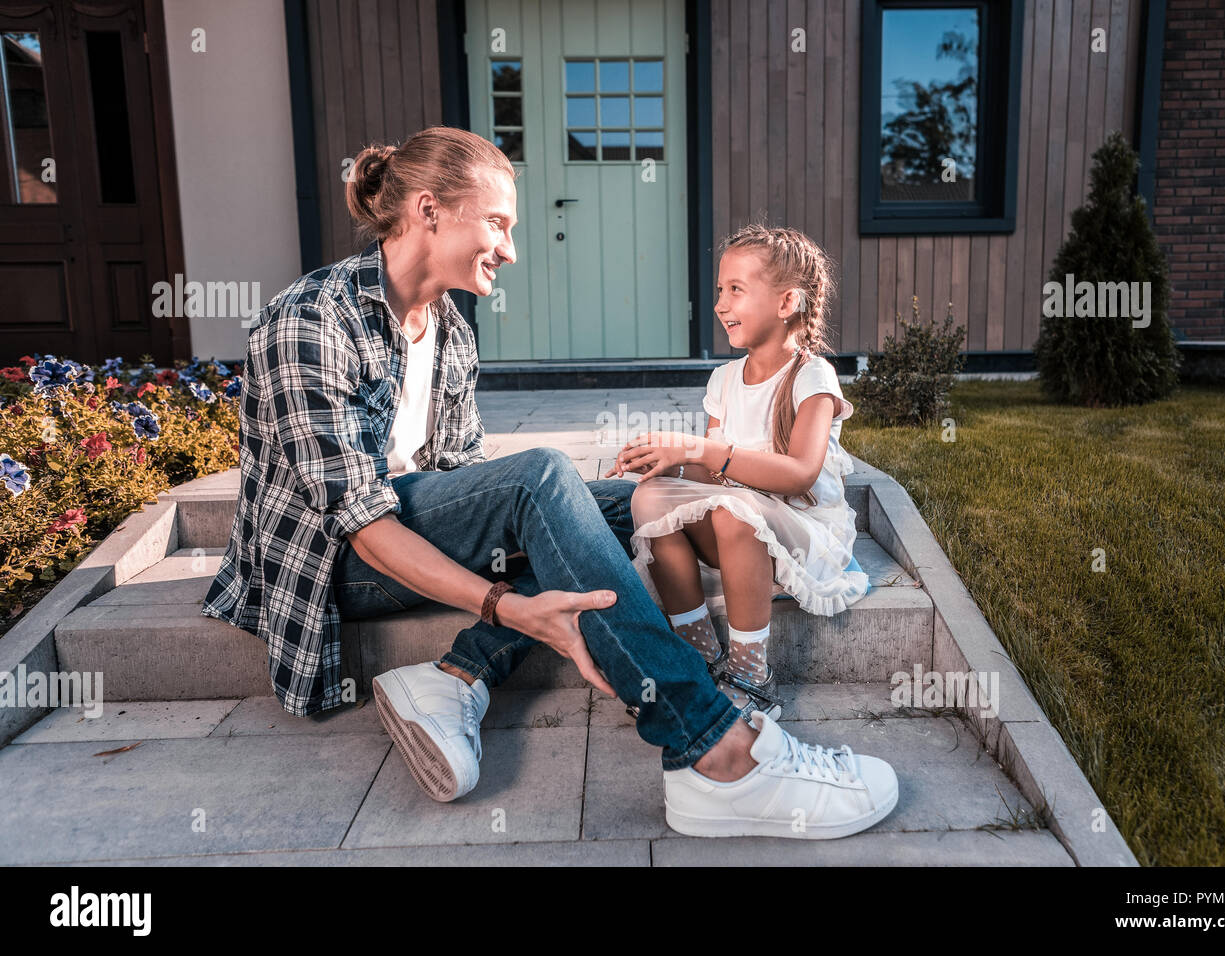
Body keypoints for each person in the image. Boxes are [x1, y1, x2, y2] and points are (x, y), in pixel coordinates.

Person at [200, 126, 897, 838]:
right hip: (336, 564)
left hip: (414, 531)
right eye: (498, 224)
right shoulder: (312, 320)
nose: (509, 249)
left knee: (643, 507)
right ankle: (713, 748)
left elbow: (467, 483)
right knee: (541, 480)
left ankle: (457, 677)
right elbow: (362, 522)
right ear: (430, 211)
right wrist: (503, 605)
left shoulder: (450, 334)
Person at [607, 225, 868, 727]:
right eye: (719, 290)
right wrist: (672, 461)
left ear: (787, 300)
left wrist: (701, 448)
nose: (721, 303)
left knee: (732, 513)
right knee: (649, 498)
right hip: (739, 519)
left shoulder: (810, 376)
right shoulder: (724, 379)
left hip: (800, 530)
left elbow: (799, 474)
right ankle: (699, 653)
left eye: (736, 290)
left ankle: (752, 674)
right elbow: (709, 473)